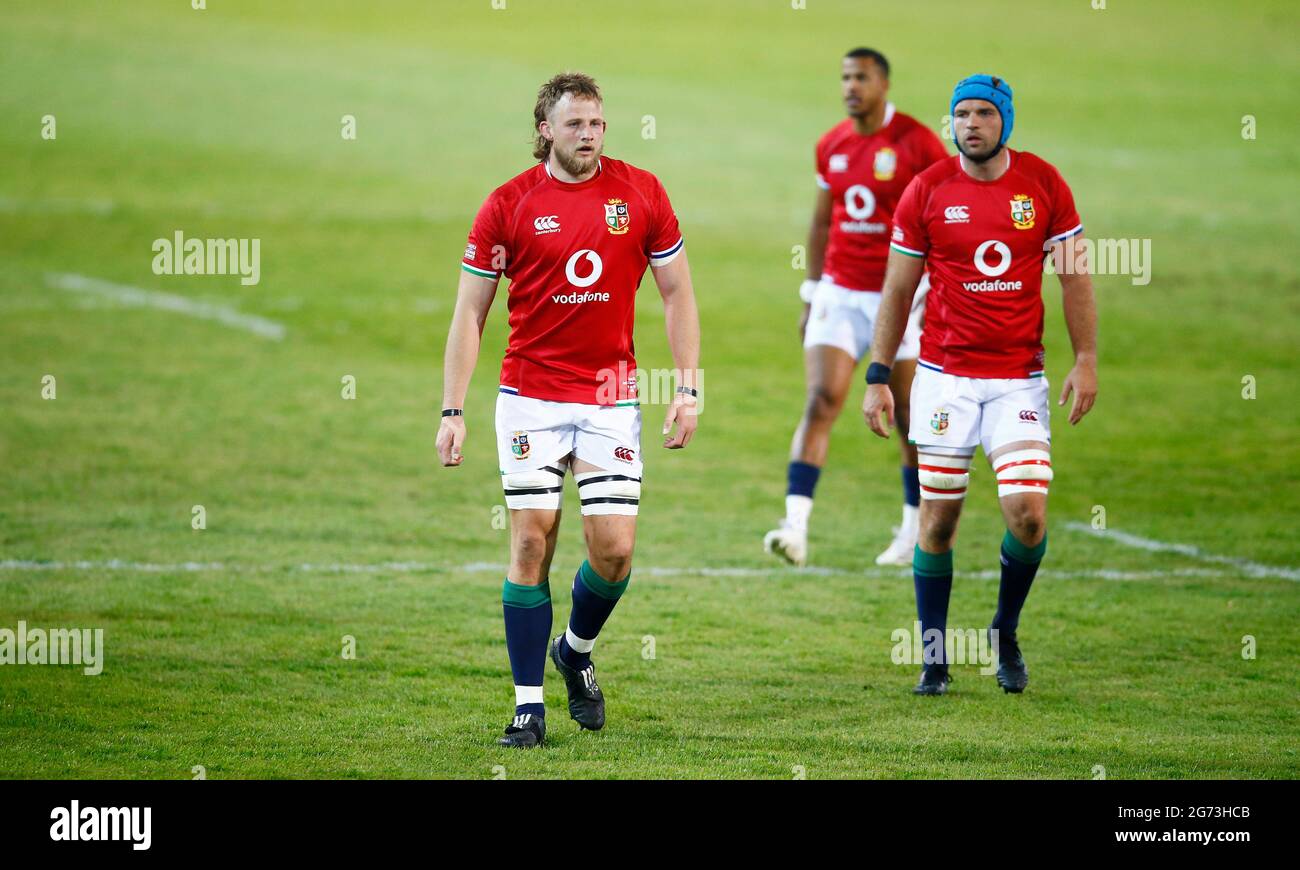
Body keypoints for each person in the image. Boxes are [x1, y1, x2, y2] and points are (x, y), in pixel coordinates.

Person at [436, 72, 701, 746]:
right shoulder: (508, 205)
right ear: (545, 129)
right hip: (530, 396)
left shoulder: (641, 193)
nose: (589, 134)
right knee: (531, 540)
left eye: (598, 123)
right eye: (575, 123)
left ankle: (574, 651)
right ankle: (528, 706)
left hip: (611, 397)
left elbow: (677, 294)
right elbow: (472, 308)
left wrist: (688, 386)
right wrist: (453, 409)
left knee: (613, 553)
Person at [863, 74, 1098, 695]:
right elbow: (897, 288)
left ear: (1006, 121)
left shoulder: (1043, 184)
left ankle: (1004, 631)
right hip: (945, 382)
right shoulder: (927, 190)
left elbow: (1075, 277)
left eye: (984, 115)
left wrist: (1087, 358)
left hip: (1019, 382)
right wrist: (879, 375)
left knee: (1027, 516)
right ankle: (935, 657)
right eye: (961, 115)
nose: (971, 125)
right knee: (937, 524)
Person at [764, 48, 949, 568]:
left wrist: (933, 288)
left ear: (883, 84)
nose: (851, 87)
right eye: (845, 77)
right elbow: (823, 221)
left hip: (901, 298)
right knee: (823, 399)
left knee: (909, 414)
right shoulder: (833, 144)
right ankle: (794, 527)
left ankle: (914, 527)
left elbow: (943, 217)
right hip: (840, 292)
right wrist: (810, 290)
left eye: (861, 78)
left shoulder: (917, 144)